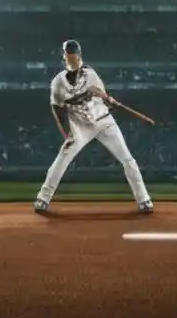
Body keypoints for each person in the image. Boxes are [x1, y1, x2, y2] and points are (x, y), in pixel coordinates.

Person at [33, 39, 153, 215]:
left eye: (75, 53)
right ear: (64, 56)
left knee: (128, 159)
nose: (73, 56)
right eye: (69, 53)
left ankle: (144, 200)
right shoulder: (58, 82)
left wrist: (108, 99)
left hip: (103, 121)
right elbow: (57, 108)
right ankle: (43, 199)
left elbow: (102, 96)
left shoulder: (90, 74)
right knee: (62, 158)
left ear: (79, 55)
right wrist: (66, 133)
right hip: (79, 126)